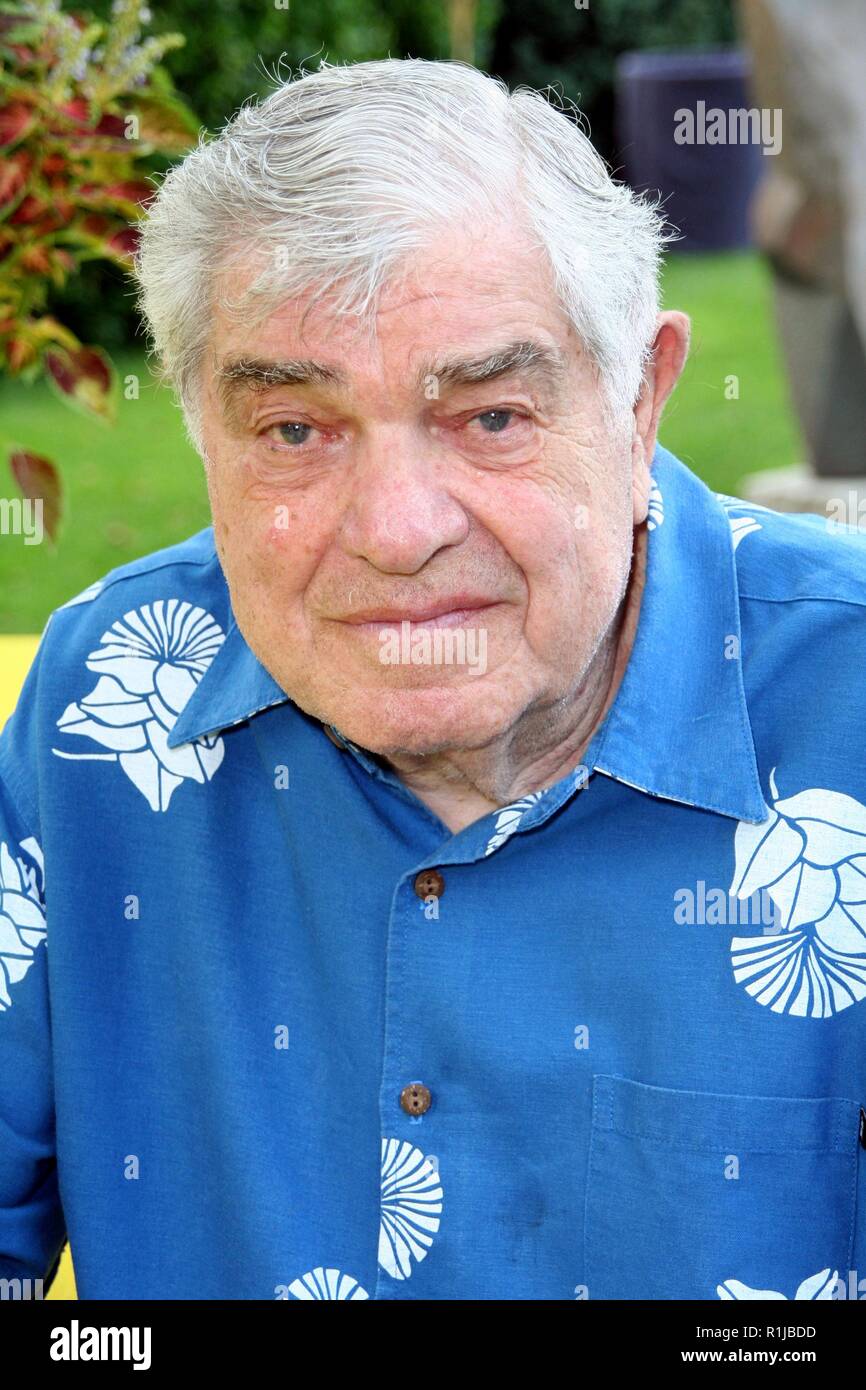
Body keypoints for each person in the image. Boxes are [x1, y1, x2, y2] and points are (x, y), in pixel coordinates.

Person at [1, 58, 864, 1302]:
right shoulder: (103, 702)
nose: (396, 529)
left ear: (639, 405)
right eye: (294, 430)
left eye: (490, 416)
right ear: (199, 429)